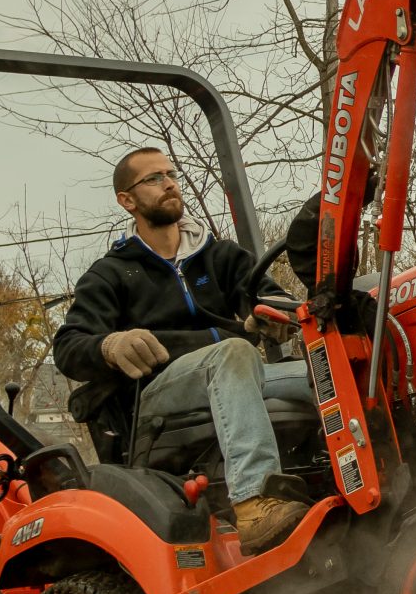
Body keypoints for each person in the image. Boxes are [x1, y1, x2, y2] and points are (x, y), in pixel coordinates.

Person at [52, 146, 308, 553]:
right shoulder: (112, 275)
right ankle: (255, 503)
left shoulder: (221, 257)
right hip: (159, 398)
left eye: (171, 174)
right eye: (153, 178)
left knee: (328, 375)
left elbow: (270, 299)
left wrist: (273, 318)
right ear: (127, 200)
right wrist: (110, 344)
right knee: (235, 353)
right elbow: (68, 346)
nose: (169, 183)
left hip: (235, 379)